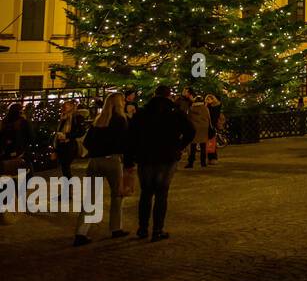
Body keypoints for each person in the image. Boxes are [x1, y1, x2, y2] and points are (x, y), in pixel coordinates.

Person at [127, 86, 195, 241]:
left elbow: (131, 136)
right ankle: (157, 230)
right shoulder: (175, 112)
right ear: (169, 95)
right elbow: (191, 131)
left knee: (146, 193)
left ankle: (143, 228)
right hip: (167, 156)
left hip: (145, 156)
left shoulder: (142, 113)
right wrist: (179, 146)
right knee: (161, 193)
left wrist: (130, 158)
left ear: (154, 95)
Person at [74, 92, 132, 245]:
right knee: (117, 195)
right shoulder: (121, 120)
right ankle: (115, 228)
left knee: (91, 197)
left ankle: (81, 232)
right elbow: (127, 143)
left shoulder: (99, 120)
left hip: (95, 161)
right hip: (113, 160)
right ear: (120, 104)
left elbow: (86, 142)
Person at [52, 99, 87, 179]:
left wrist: (67, 135)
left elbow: (81, 131)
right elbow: (59, 130)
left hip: (70, 145)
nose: (63, 108)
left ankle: (68, 186)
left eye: (65, 107)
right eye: (63, 107)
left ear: (72, 107)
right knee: (64, 167)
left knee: (66, 166)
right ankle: (68, 185)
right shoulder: (63, 117)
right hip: (61, 145)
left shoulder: (76, 117)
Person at [184, 88, 212, 168]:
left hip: (194, 128)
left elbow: (188, 118)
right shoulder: (205, 108)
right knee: (203, 146)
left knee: (193, 147)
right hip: (204, 128)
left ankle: (191, 163)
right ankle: (203, 163)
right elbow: (208, 118)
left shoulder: (191, 109)